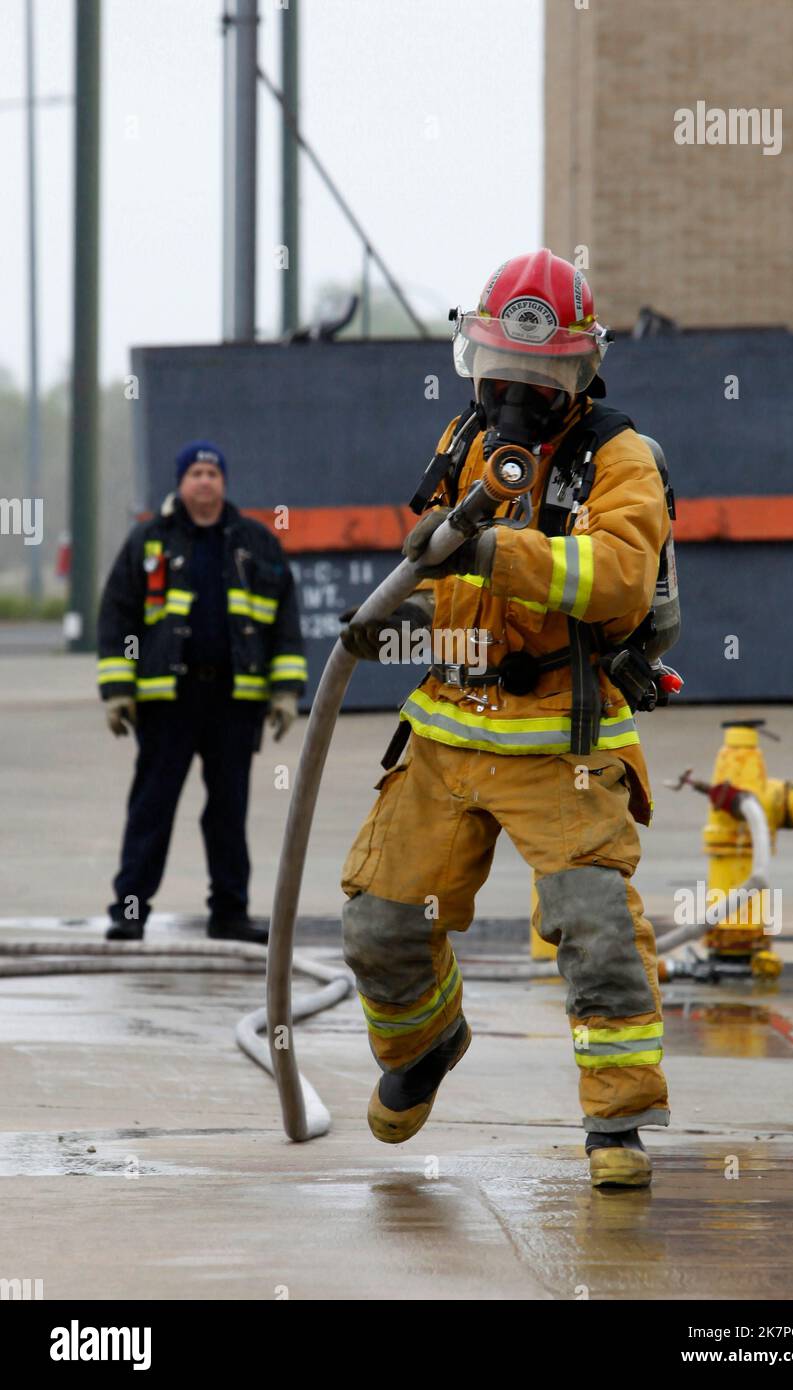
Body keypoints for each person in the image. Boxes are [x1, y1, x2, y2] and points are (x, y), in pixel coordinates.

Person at [339, 250, 674, 1188]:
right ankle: (427, 1041)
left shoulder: (621, 458)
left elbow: (616, 579)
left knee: (596, 930)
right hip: (449, 727)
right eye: (499, 367)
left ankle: (616, 1126)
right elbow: (444, 583)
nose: (515, 392)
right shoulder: (463, 445)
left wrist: (495, 549)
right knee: (377, 926)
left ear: (584, 370)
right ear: (471, 358)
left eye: (542, 373)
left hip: (560, 738)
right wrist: (394, 622)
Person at [97, 441, 307, 945]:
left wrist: (284, 692)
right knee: (151, 808)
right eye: (196, 472)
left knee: (228, 812)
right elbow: (117, 617)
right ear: (180, 482)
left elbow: (284, 623)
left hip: (234, 703)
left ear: (224, 482)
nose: (205, 480)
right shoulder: (149, 542)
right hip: (167, 701)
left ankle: (230, 913)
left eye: (213, 471)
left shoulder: (256, 541)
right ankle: (130, 911)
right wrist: (117, 689)